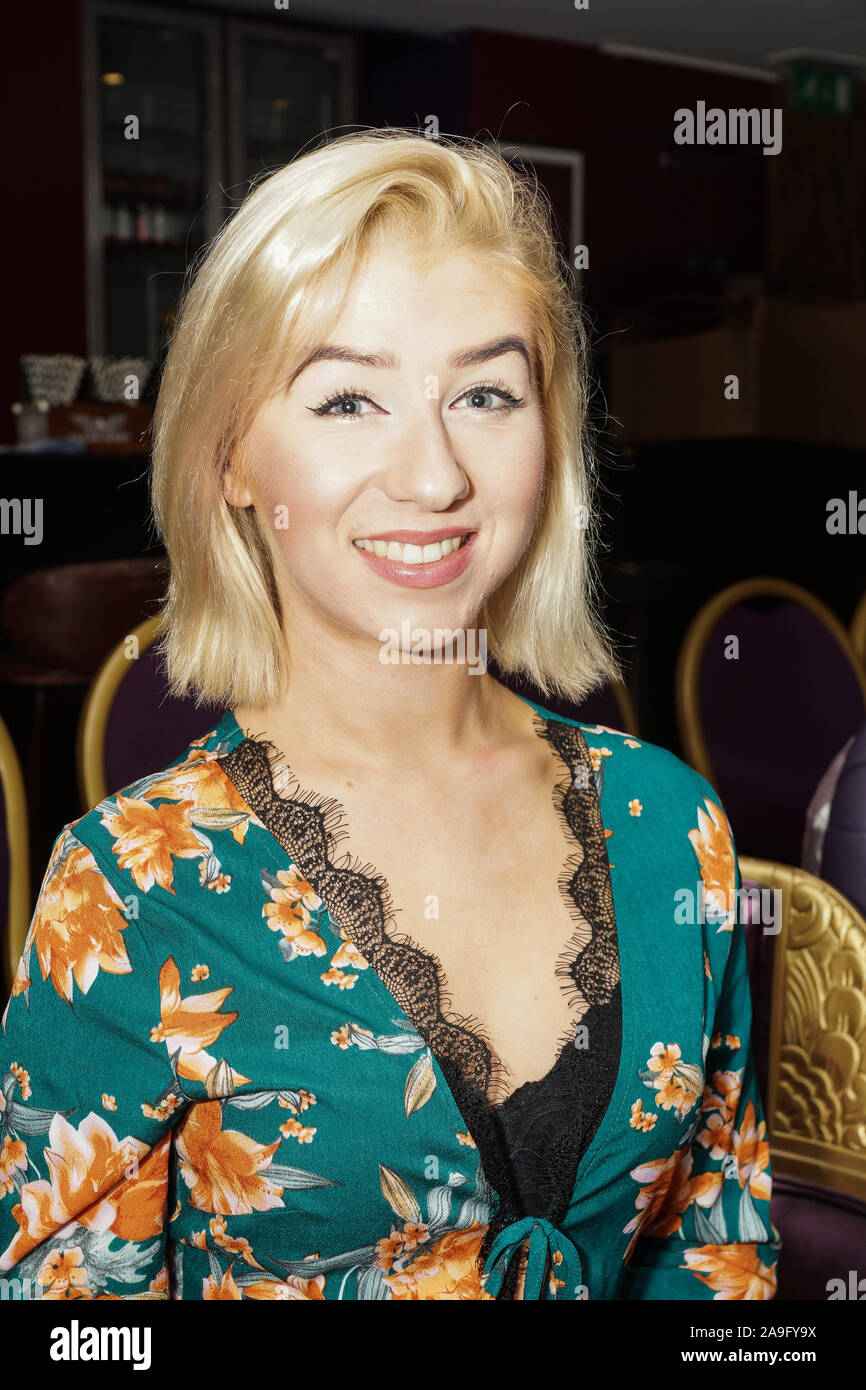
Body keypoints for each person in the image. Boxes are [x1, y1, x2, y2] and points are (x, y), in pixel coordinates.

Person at [0, 130, 780, 1301]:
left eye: (483, 392)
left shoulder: (674, 824)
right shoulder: (126, 890)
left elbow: (715, 1267)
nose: (432, 476)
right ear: (231, 461)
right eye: (348, 397)